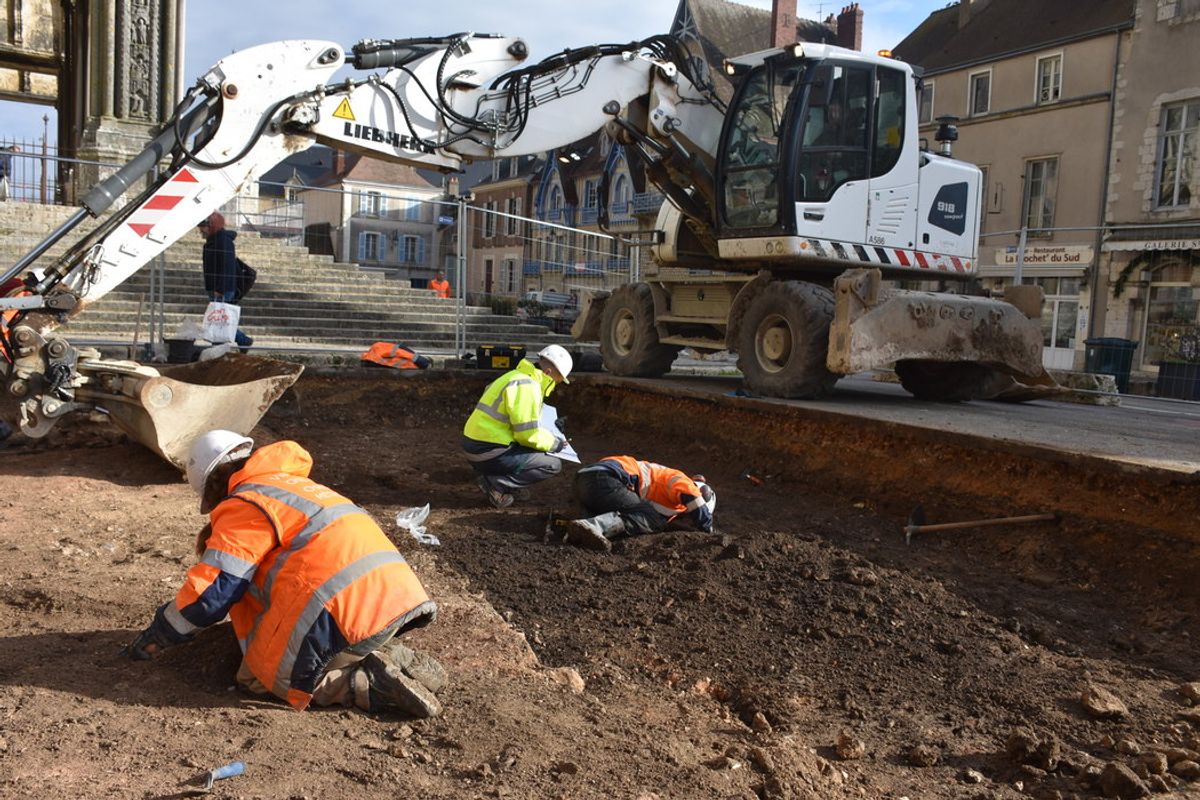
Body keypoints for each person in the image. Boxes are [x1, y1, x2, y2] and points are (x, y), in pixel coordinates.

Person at [123, 430, 445, 717]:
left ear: (216, 484)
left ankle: (365, 682)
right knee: (317, 637)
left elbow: (214, 591)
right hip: (397, 598)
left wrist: (161, 634)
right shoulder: (296, 488)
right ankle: (387, 653)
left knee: (260, 677)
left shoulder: (246, 502)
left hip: (343, 612)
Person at [462, 344, 573, 509]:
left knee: (536, 449)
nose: (558, 383)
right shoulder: (528, 387)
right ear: (549, 373)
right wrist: (554, 443)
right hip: (487, 451)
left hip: (477, 445)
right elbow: (528, 435)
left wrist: (551, 428)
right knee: (552, 464)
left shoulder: (516, 376)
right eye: (559, 379)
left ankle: (506, 482)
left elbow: (520, 421)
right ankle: (497, 484)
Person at [554, 455, 716, 552]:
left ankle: (572, 523)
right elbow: (694, 499)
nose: (688, 520)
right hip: (606, 479)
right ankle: (593, 526)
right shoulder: (685, 483)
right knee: (650, 518)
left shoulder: (665, 498)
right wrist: (708, 531)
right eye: (691, 516)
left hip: (586, 480)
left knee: (642, 516)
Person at [198, 212, 252, 351]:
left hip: (222, 289)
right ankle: (243, 341)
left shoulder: (222, 241)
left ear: (212, 226)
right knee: (221, 320)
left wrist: (220, 289)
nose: (201, 230)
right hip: (216, 287)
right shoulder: (214, 240)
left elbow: (226, 267)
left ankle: (219, 350)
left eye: (203, 227)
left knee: (220, 321)